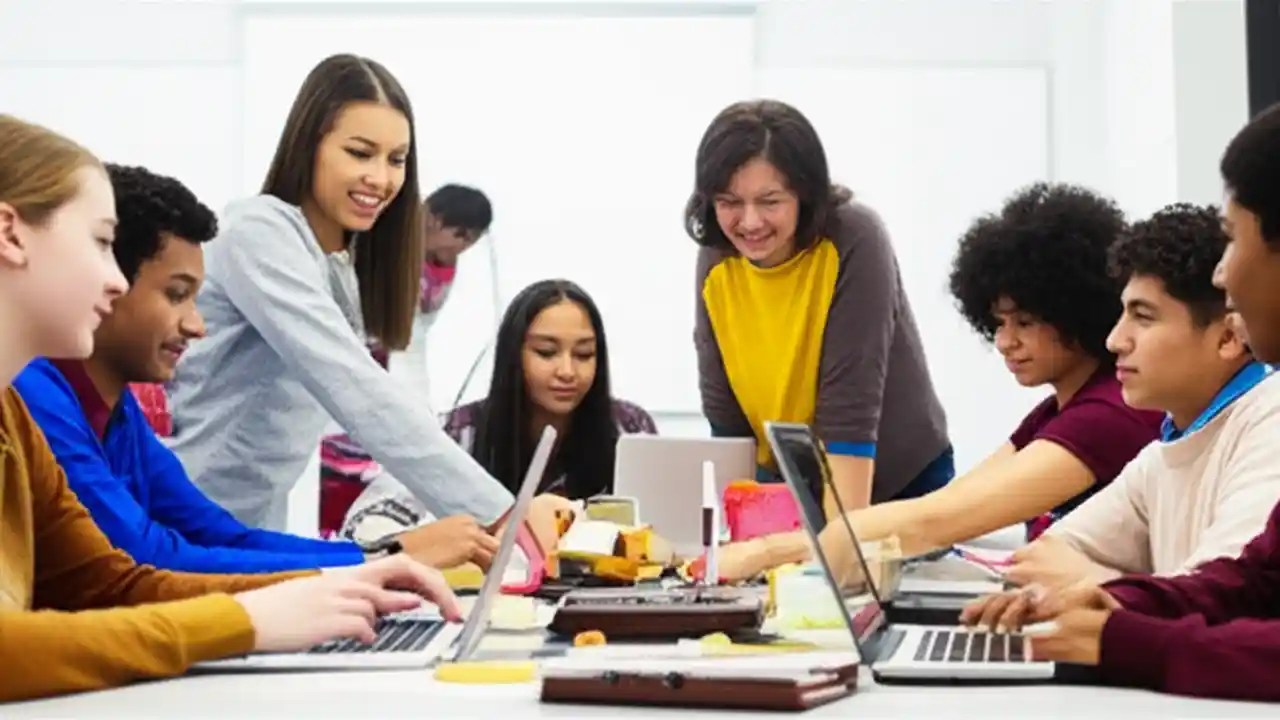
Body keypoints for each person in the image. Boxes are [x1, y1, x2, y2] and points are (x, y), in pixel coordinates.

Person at [0, 114, 460, 702]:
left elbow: (109, 580)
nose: (115, 280)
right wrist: (251, 620)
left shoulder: (13, 411)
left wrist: (342, 577)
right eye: (100, 243)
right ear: (12, 234)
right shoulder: (36, 397)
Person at [14, 163, 500, 574]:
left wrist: (381, 556)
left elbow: (223, 536)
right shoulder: (34, 397)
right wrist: (387, 557)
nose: (197, 325)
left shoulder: (118, 417)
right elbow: (146, 557)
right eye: (177, 295)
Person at [958, 103, 1280, 702]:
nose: (1226, 275)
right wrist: (1112, 602)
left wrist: (1120, 632)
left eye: (1234, 241)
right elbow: (1251, 581)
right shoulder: (1166, 440)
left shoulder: (1264, 420)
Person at [163, 53, 539, 534]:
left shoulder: (344, 259)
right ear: (309, 146)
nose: (381, 178)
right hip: (191, 513)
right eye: (360, 153)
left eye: (396, 160)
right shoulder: (258, 232)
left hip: (254, 523)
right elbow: (351, 383)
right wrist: (502, 514)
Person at [714, 183, 1164, 581]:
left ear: (1076, 312)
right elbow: (955, 501)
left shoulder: (1108, 414)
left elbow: (937, 520)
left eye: (1024, 322)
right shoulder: (1056, 412)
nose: (1005, 342)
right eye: (998, 323)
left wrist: (766, 552)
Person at [689, 99, 951, 518]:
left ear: (805, 194)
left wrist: (836, 556)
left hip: (893, 480)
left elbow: (851, 410)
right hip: (791, 476)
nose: (749, 222)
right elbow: (723, 409)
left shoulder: (854, 238)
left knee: (847, 579)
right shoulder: (718, 256)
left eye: (770, 201)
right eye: (729, 202)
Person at [1003, 203, 1280, 592]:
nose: (1115, 340)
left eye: (1143, 317)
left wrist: (1095, 586)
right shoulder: (1166, 447)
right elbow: (1044, 557)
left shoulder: (1270, 422)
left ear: (1228, 338)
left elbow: (1225, 602)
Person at [341, 279, 657, 543]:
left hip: (612, 606)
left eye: (585, 354)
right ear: (512, 355)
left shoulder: (629, 428)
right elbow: (363, 525)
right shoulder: (460, 433)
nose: (567, 370)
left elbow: (667, 529)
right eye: (546, 353)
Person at [319, 183, 494, 535]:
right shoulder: (382, 237)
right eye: (460, 233)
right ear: (434, 217)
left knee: (376, 463)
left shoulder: (440, 265)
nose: (463, 245)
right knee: (335, 463)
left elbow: (418, 325)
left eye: (471, 239)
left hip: (392, 367)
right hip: (350, 359)